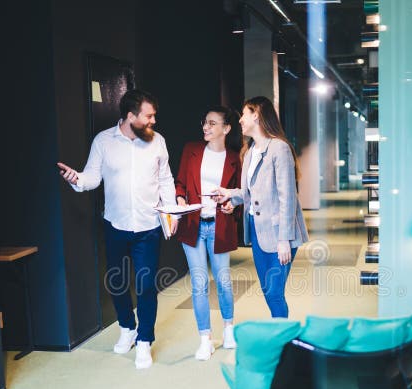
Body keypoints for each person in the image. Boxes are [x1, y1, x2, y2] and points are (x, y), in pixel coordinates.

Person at [57, 89, 178, 370]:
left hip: (148, 226)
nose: (153, 121)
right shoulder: (104, 141)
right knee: (117, 281)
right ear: (130, 116)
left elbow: (166, 180)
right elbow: (91, 177)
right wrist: (76, 179)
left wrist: (171, 214)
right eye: (149, 115)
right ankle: (127, 327)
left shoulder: (157, 141)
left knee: (146, 286)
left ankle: (145, 340)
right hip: (116, 224)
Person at [212, 96, 308, 318]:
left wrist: (284, 239)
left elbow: (288, 198)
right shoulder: (250, 151)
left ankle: (283, 341)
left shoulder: (279, 148)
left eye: (244, 115)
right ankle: (282, 335)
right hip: (256, 230)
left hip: (279, 233)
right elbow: (250, 193)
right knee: (267, 291)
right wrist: (229, 195)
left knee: (274, 293)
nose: (241, 121)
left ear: (256, 114)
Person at [174, 106, 243, 360]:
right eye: (205, 122)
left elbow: (238, 194)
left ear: (226, 129)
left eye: (212, 123)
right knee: (199, 283)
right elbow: (180, 182)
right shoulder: (191, 150)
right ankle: (205, 338)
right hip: (193, 224)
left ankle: (228, 329)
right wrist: (180, 198)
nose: (206, 127)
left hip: (219, 225)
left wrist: (230, 206)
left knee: (223, 281)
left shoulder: (235, 158)